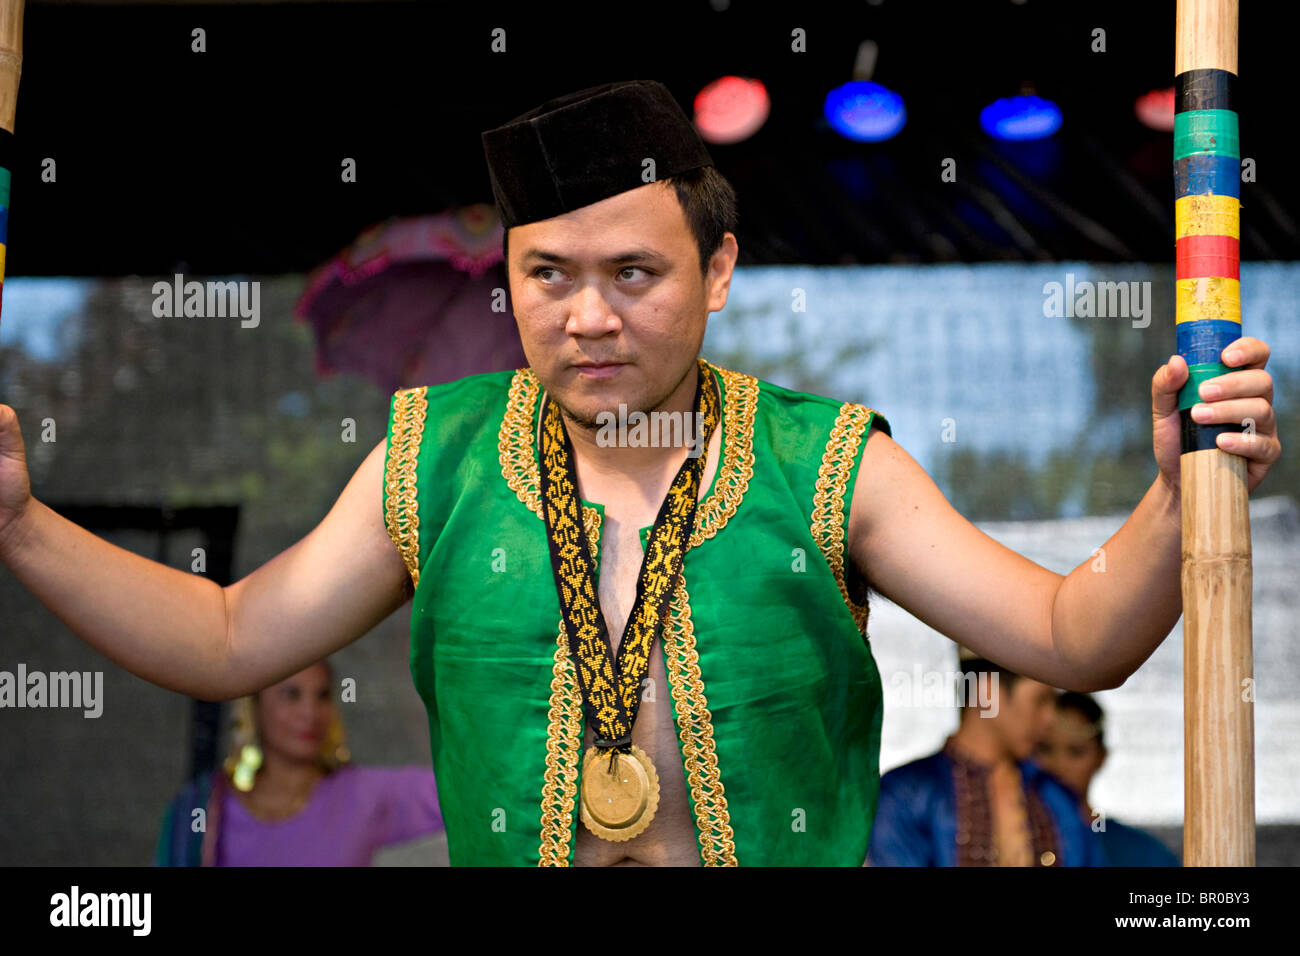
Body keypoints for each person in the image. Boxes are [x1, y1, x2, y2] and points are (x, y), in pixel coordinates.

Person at [0, 79, 1280, 866]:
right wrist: (19, 524)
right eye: (546, 275)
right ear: (504, 279)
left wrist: (1176, 501)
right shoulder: (429, 457)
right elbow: (230, 634)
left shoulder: (826, 462)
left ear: (717, 271)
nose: (588, 318)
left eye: (635, 274)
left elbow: (1072, 633)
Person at [154, 659, 444, 866]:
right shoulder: (204, 808)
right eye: (291, 695)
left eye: (322, 696)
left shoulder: (365, 794)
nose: (310, 712)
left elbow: (468, 786)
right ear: (253, 706)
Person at [866, 647, 1103, 866]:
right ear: (987, 694)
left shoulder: (1056, 798)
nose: (1050, 719)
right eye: (1040, 701)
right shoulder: (906, 795)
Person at [1034, 691, 1180, 866]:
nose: (1059, 764)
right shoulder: (1010, 834)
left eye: (1076, 752)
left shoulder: (1141, 853)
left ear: (1101, 757)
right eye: (1045, 749)